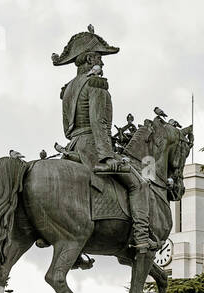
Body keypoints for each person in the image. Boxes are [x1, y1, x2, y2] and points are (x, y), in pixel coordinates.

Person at [53, 25, 152, 252]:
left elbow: (67, 128)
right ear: (89, 58)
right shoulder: (95, 82)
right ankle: (141, 238)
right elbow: (99, 123)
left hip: (72, 147)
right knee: (140, 184)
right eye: (99, 57)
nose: (103, 63)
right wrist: (107, 155)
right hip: (93, 147)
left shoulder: (67, 89)